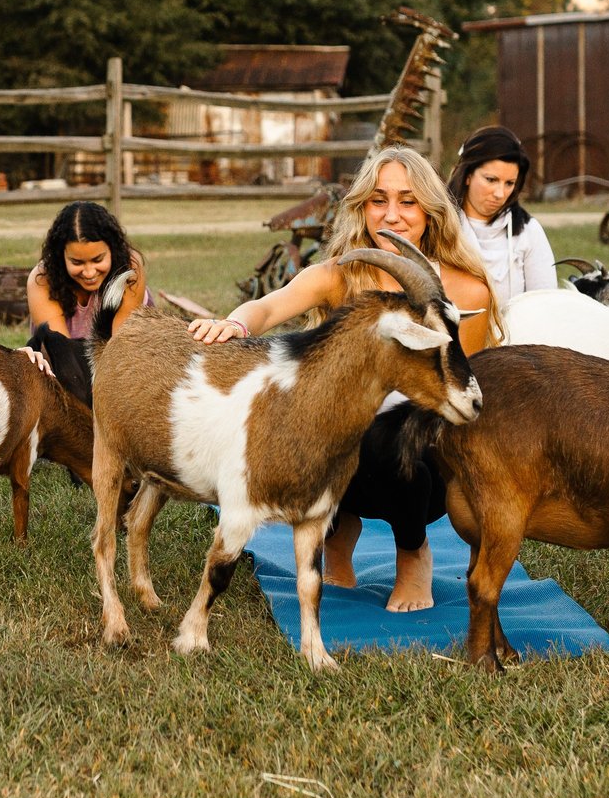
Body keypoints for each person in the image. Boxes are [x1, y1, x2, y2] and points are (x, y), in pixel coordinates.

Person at [186, 145, 497, 612]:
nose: (392, 214)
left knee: (387, 440)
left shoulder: (466, 290)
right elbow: (270, 305)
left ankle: (413, 553)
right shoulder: (342, 276)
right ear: (362, 208)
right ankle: (337, 532)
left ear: (431, 210)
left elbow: (465, 388)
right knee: (310, 423)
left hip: (422, 456)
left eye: (408, 201)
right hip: (343, 439)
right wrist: (237, 324)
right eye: (378, 200)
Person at [449, 126, 557, 300]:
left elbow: (545, 303)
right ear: (467, 175)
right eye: (491, 180)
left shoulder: (528, 232)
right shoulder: (438, 226)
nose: (500, 194)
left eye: (509, 183)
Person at [27, 201, 148, 338]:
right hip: (61, 355)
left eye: (98, 260)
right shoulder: (42, 279)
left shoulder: (130, 269)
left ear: (112, 250)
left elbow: (121, 346)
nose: (89, 273)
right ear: (61, 256)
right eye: (77, 262)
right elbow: (58, 349)